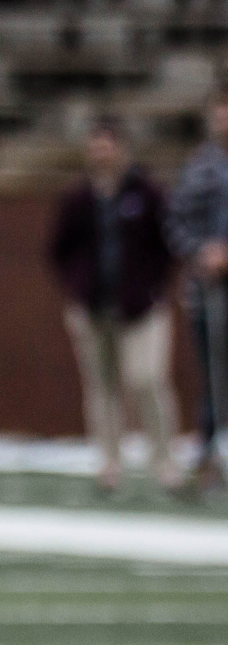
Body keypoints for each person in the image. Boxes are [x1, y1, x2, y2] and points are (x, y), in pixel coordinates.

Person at [48, 119, 180, 494]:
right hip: (93, 309)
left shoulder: (147, 192)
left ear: (121, 148)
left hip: (141, 309)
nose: (102, 153)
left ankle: (164, 462)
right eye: (96, 146)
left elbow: (166, 244)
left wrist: (151, 287)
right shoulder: (78, 197)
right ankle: (109, 463)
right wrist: (77, 288)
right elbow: (59, 250)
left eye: (108, 145)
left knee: (148, 380)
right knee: (102, 389)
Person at [168, 92, 228, 493]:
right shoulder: (198, 168)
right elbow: (176, 222)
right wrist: (201, 251)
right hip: (208, 290)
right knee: (211, 374)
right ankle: (211, 455)